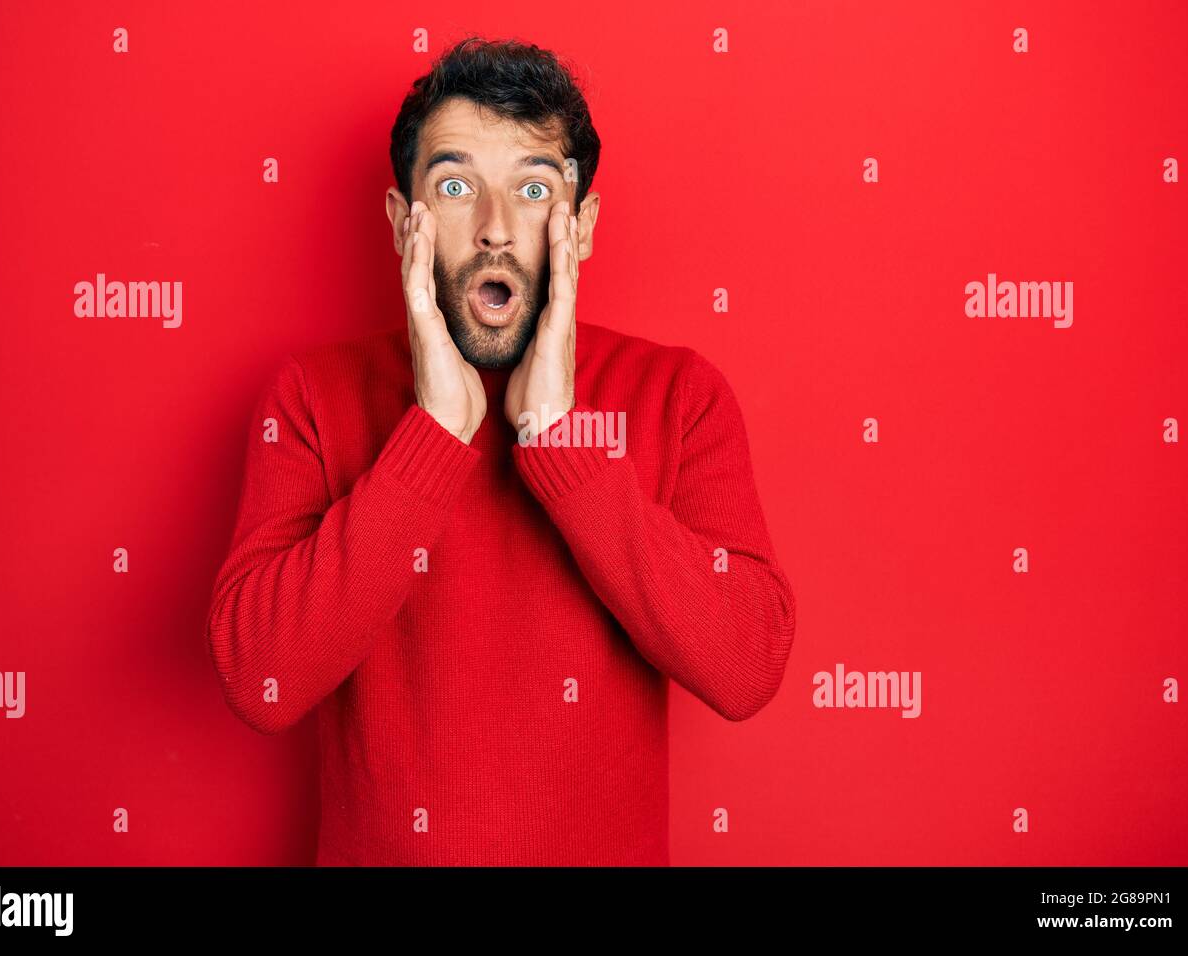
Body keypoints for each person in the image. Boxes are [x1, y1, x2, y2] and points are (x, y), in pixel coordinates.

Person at [204, 35, 796, 866]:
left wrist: (560, 442)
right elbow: (259, 677)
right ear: (402, 220)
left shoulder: (678, 395)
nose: (493, 229)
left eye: (532, 189)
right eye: (454, 187)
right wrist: (436, 433)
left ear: (582, 226)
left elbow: (744, 668)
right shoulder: (313, 396)